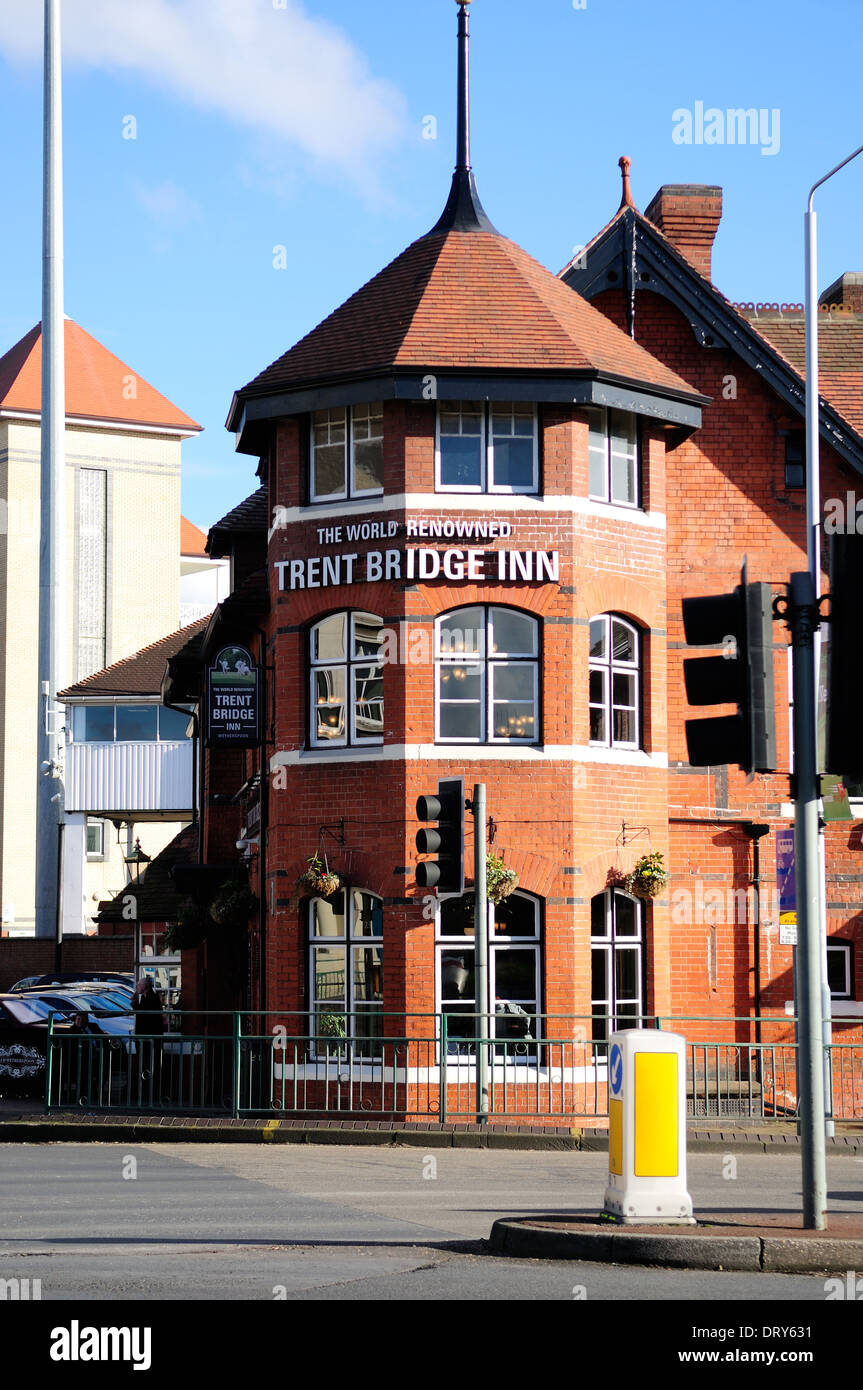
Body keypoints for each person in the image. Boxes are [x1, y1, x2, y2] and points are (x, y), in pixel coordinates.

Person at [132, 978, 165, 1100]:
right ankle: (145, 1092)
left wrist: (134, 1002)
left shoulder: (151, 998)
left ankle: (150, 1094)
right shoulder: (146, 997)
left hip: (149, 1039)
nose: (137, 988)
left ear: (144, 987)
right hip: (145, 1038)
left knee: (149, 1064)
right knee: (145, 1065)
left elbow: (143, 1015)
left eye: (138, 986)